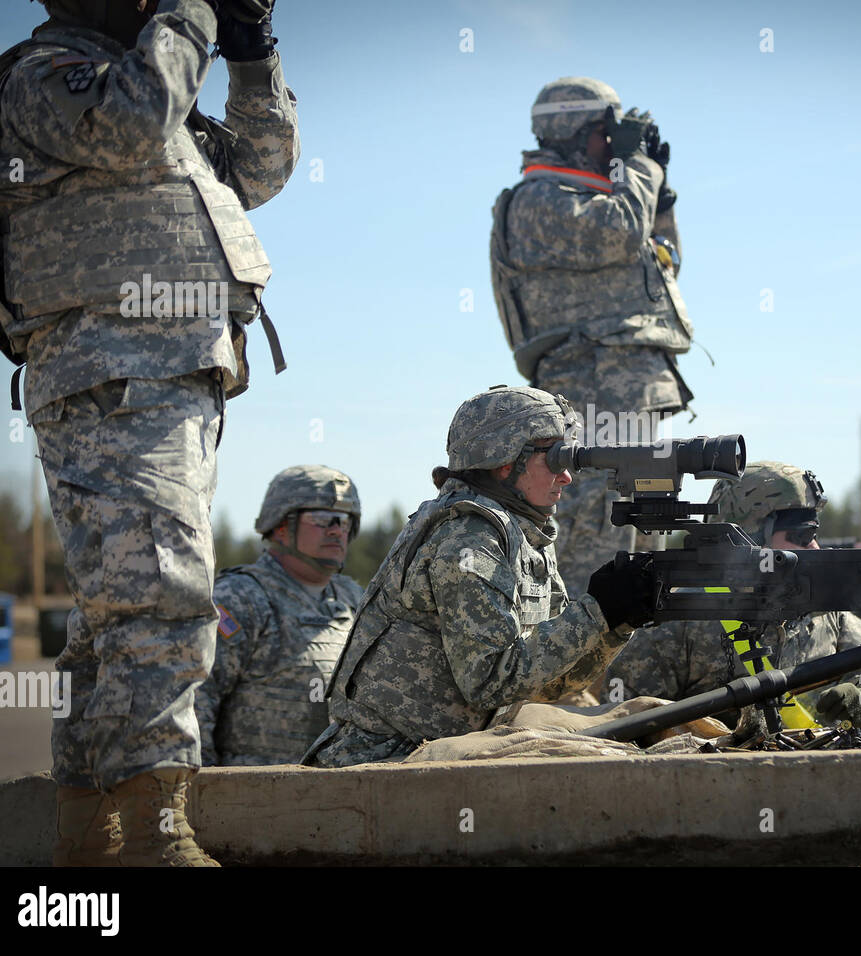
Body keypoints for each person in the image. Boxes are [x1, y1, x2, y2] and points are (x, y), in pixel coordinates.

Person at [0, 0, 297, 865]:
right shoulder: (43, 79)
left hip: (168, 378)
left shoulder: (158, 84)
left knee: (109, 619)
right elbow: (135, 120)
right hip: (108, 376)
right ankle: (158, 837)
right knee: (163, 594)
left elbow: (259, 168)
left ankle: (91, 835)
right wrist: (191, 10)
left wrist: (251, 50)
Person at [303, 386, 657, 768]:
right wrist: (596, 613)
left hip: (445, 755)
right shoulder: (469, 538)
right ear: (504, 462)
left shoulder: (523, 535)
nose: (567, 477)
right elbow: (490, 682)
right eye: (554, 458)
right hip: (382, 761)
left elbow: (550, 684)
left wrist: (615, 624)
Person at [489, 76, 694, 599]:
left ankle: (627, 676)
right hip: (594, 403)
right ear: (575, 133)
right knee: (599, 551)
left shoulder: (600, 199)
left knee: (644, 549)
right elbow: (622, 233)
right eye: (611, 135)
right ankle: (577, 680)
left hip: (633, 402)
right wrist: (640, 170)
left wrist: (659, 195)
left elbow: (662, 267)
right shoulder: (540, 201)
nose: (618, 147)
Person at [605, 462, 861, 731]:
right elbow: (628, 721)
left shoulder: (827, 610)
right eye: (802, 536)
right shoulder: (678, 618)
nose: (815, 549)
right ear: (749, 538)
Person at [195, 466, 364, 766]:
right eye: (323, 519)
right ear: (281, 526)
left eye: (346, 520)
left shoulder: (354, 600)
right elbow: (196, 702)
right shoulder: (241, 598)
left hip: (342, 795)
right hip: (252, 799)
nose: (338, 530)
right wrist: (204, 793)